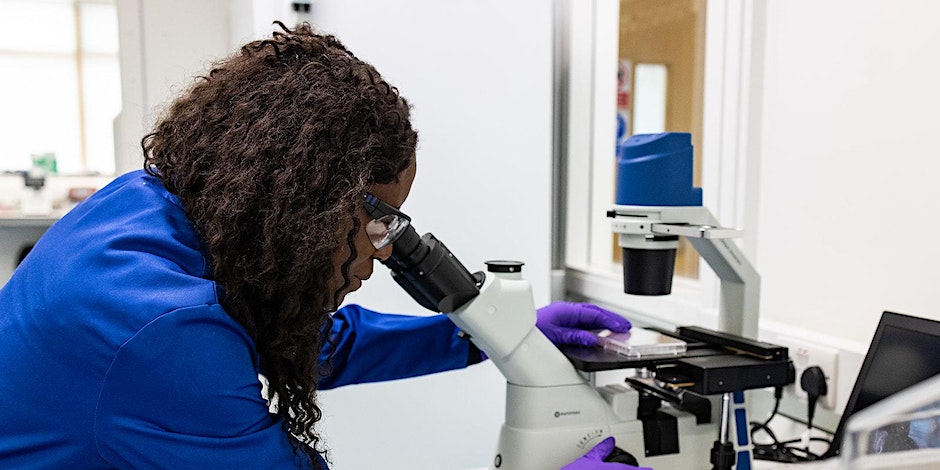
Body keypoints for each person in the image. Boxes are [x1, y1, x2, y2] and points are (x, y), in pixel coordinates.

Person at [0, 23, 648, 469]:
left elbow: (295, 337)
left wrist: (485, 336)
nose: (380, 256)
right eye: (376, 224)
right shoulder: (164, 333)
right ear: (305, 206)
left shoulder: (147, 209)